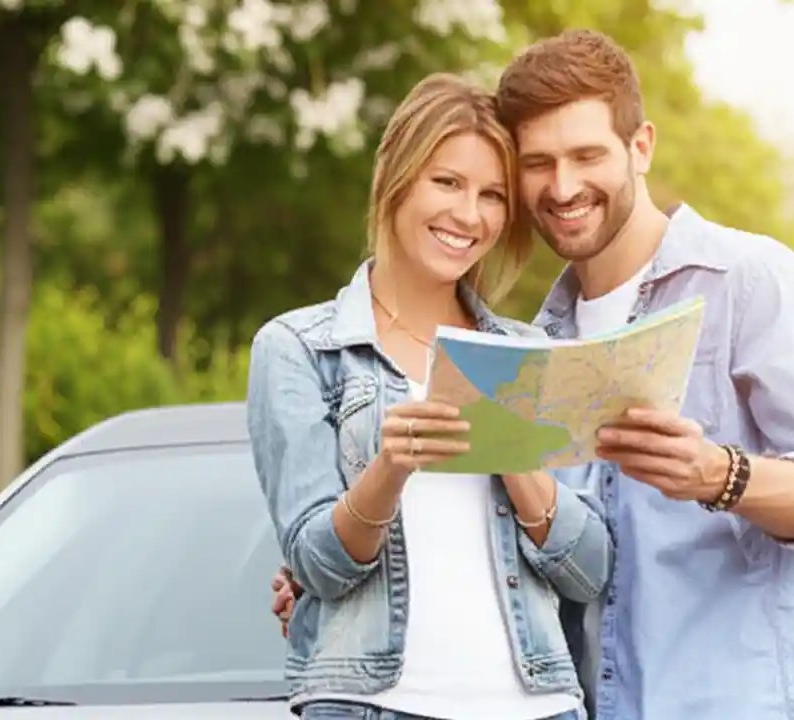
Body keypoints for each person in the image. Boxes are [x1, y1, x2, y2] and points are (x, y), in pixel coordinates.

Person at [275, 29, 794, 720]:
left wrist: (721, 475)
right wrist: (332, 572)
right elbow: (528, 545)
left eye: (587, 155)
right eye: (538, 163)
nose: (563, 187)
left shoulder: (749, 282)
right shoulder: (534, 343)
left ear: (641, 146)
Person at [247, 72, 611, 720]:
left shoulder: (534, 354)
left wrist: (514, 451)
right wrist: (390, 468)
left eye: (493, 195)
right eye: (447, 182)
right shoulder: (299, 349)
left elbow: (588, 570)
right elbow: (321, 569)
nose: (469, 216)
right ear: (397, 176)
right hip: (373, 704)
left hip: (539, 706)